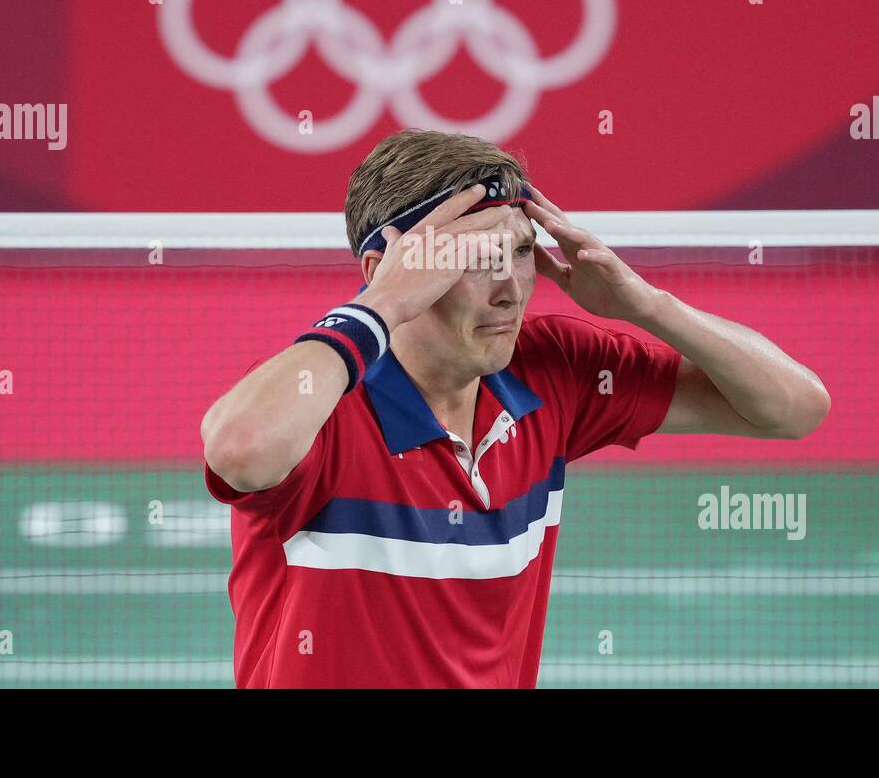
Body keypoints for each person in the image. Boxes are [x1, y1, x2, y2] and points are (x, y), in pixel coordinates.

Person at [201, 129, 830, 687]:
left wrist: (645, 305)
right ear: (384, 270)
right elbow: (240, 452)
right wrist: (380, 307)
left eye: (522, 252)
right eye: (475, 260)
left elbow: (794, 407)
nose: (510, 291)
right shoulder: (321, 403)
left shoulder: (551, 370)